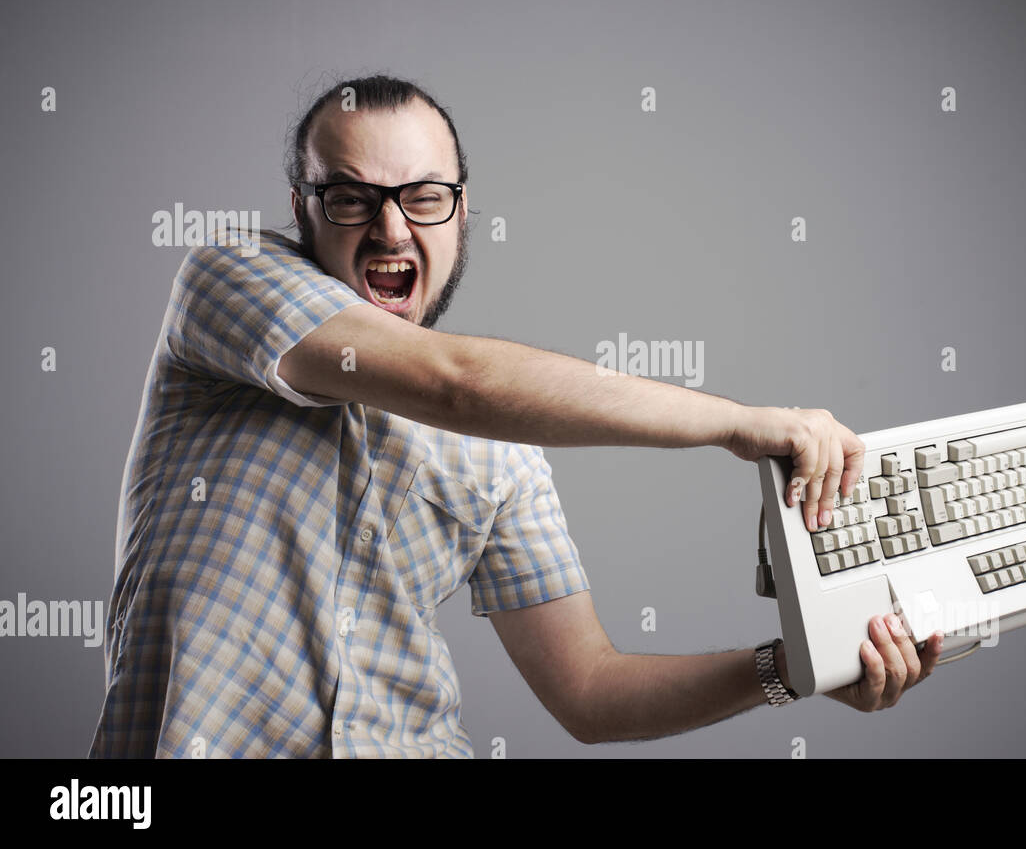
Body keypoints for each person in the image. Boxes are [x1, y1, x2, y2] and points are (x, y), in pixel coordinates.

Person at [90, 75, 942, 757]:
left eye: (423, 196)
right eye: (350, 197)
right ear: (301, 206)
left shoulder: (503, 453)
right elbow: (454, 381)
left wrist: (797, 667)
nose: (391, 228)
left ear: (463, 213)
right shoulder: (227, 278)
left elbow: (592, 692)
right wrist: (736, 423)